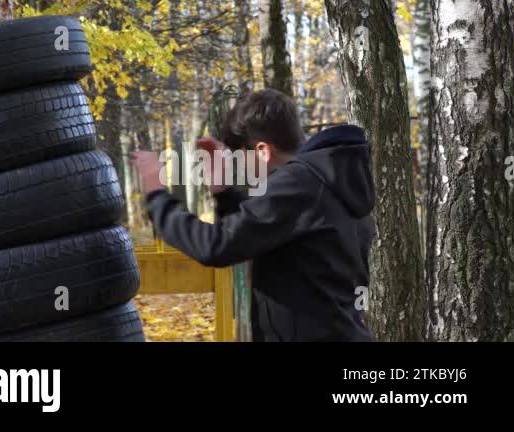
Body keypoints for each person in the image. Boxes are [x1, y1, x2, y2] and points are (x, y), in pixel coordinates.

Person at [133, 89, 375, 342]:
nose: (239, 165)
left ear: (262, 151)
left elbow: (217, 246)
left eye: (240, 156)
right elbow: (263, 231)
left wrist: (156, 195)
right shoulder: (324, 180)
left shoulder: (297, 184)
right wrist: (224, 193)